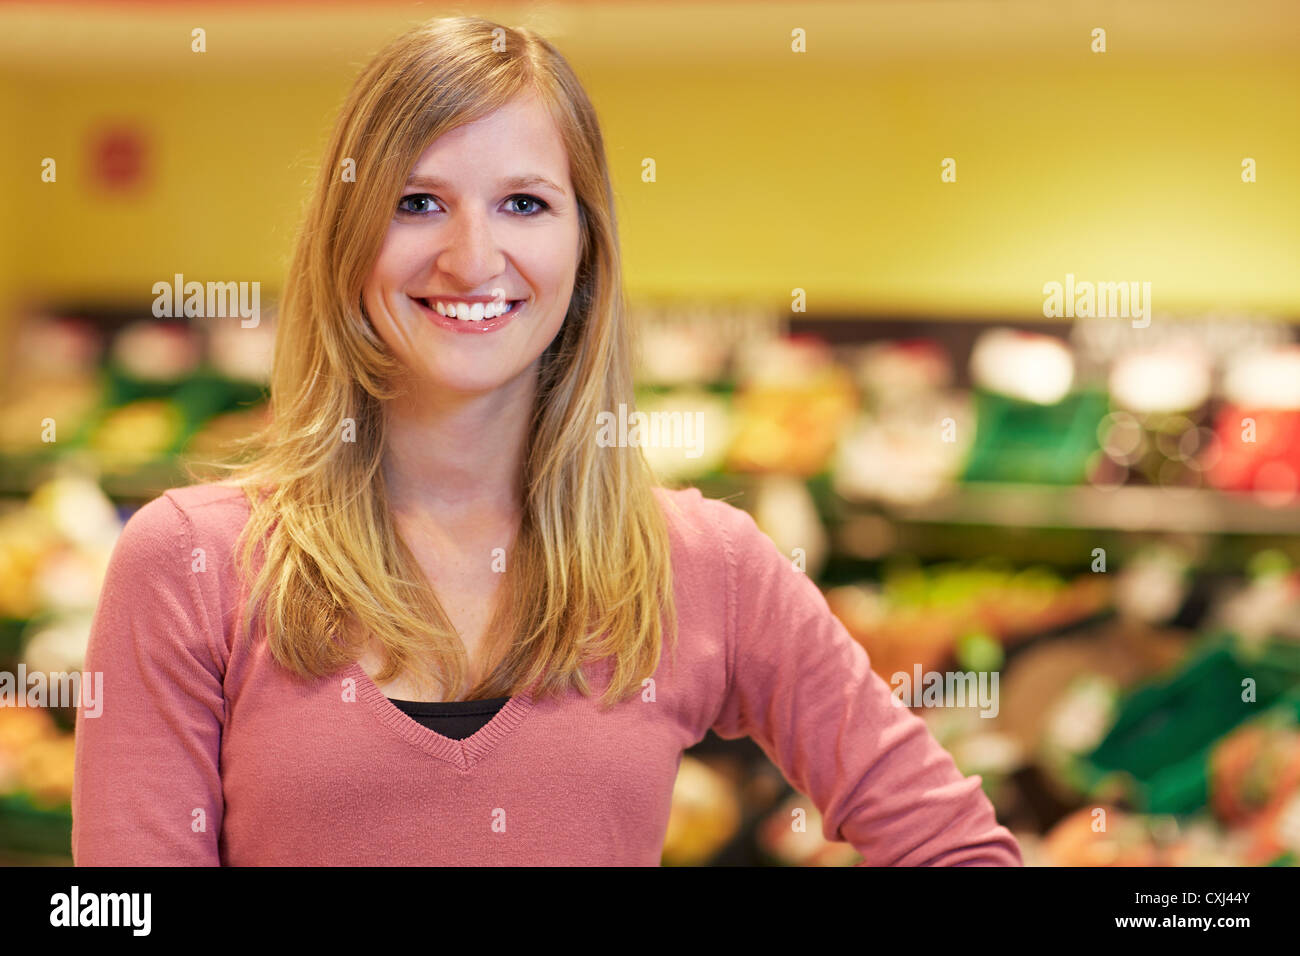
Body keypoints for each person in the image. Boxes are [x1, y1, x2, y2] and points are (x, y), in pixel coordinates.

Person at [71, 15, 1022, 866]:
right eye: (417, 201)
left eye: (524, 203)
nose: (472, 258)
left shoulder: (704, 566)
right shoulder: (191, 564)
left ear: (585, 248)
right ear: (345, 240)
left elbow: (955, 848)